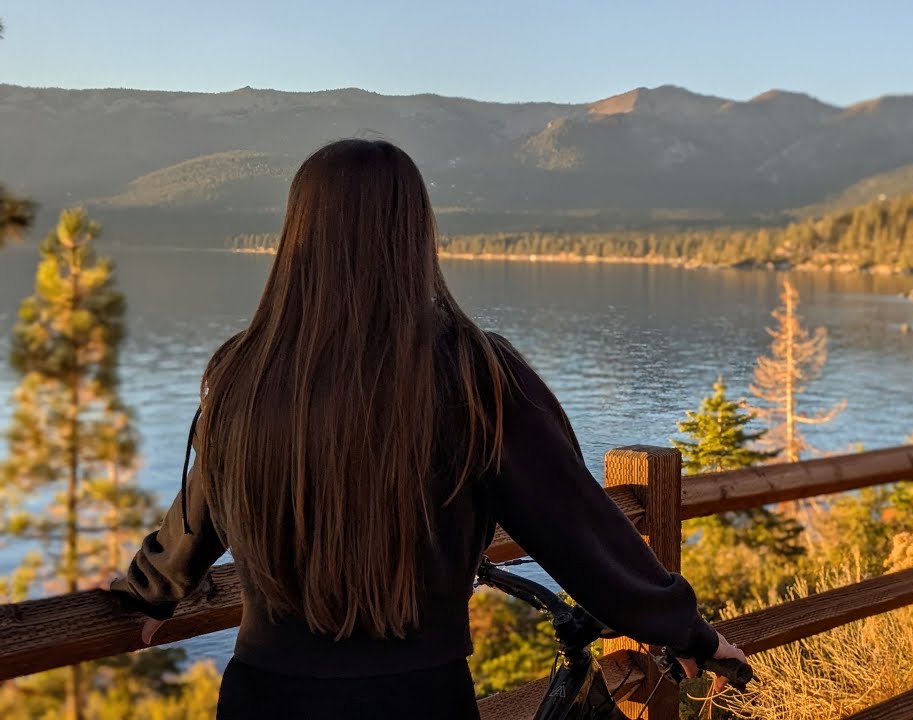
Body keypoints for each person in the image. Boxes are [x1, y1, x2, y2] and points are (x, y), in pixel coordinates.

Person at [106, 138, 746, 718]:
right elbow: (578, 528)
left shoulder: (246, 371)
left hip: (263, 695)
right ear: (414, 233)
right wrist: (686, 631)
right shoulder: (474, 374)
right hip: (416, 696)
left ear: (298, 233)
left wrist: (151, 589)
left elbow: (200, 509)